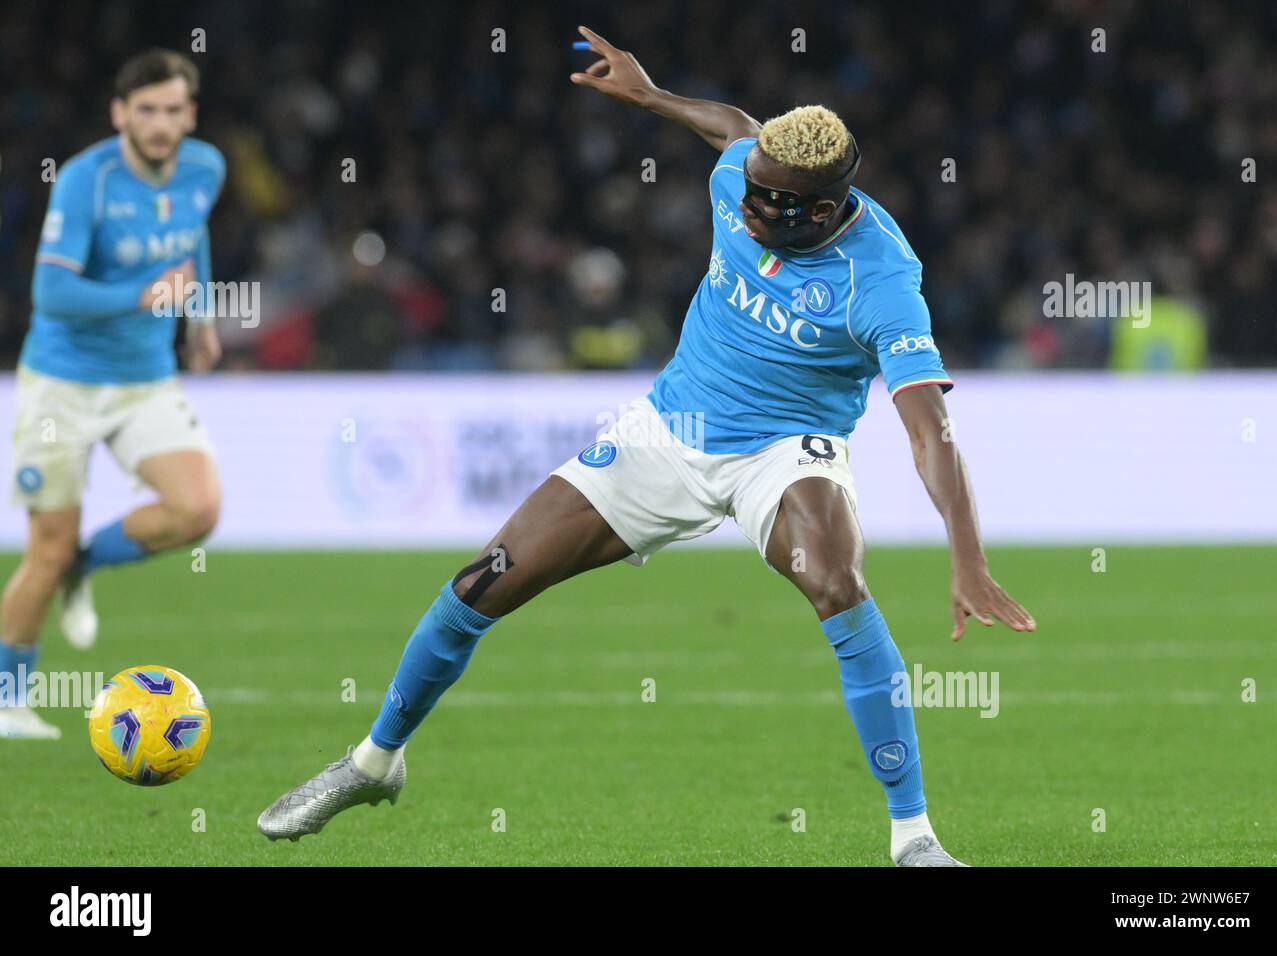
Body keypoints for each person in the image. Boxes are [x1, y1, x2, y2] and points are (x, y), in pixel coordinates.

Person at [258, 27, 1035, 866]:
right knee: (482, 580)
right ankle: (373, 762)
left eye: (765, 199)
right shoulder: (747, 168)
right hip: (665, 432)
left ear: (818, 210)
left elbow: (930, 428)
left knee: (837, 584)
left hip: (784, 451)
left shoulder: (881, 281)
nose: (742, 201)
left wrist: (967, 555)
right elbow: (731, 125)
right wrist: (652, 93)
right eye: (748, 184)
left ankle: (913, 838)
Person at [0, 50, 224, 740]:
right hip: (62, 385)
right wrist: (142, 293)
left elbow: (194, 239)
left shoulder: (206, 168)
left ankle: (86, 564)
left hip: (145, 378)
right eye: (146, 110)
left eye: (173, 109)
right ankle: (7, 700)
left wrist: (203, 313)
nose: (160, 124)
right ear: (120, 113)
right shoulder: (85, 180)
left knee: (197, 509)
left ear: (190, 114)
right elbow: (51, 291)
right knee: (45, 547)